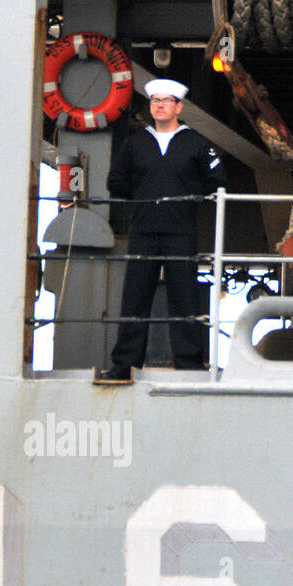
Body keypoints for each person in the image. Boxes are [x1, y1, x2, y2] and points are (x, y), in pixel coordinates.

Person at [96, 78, 226, 383]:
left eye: (166, 101)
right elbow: (116, 181)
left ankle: (190, 363)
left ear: (178, 107)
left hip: (181, 230)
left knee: (185, 298)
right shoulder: (135, 143)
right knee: (135, 298)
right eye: (155, 101)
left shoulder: (195, 143)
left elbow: (218, 181)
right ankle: (125, 363)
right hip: (144, 229)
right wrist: (144, 194)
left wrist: (187, 194)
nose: (160, 106)